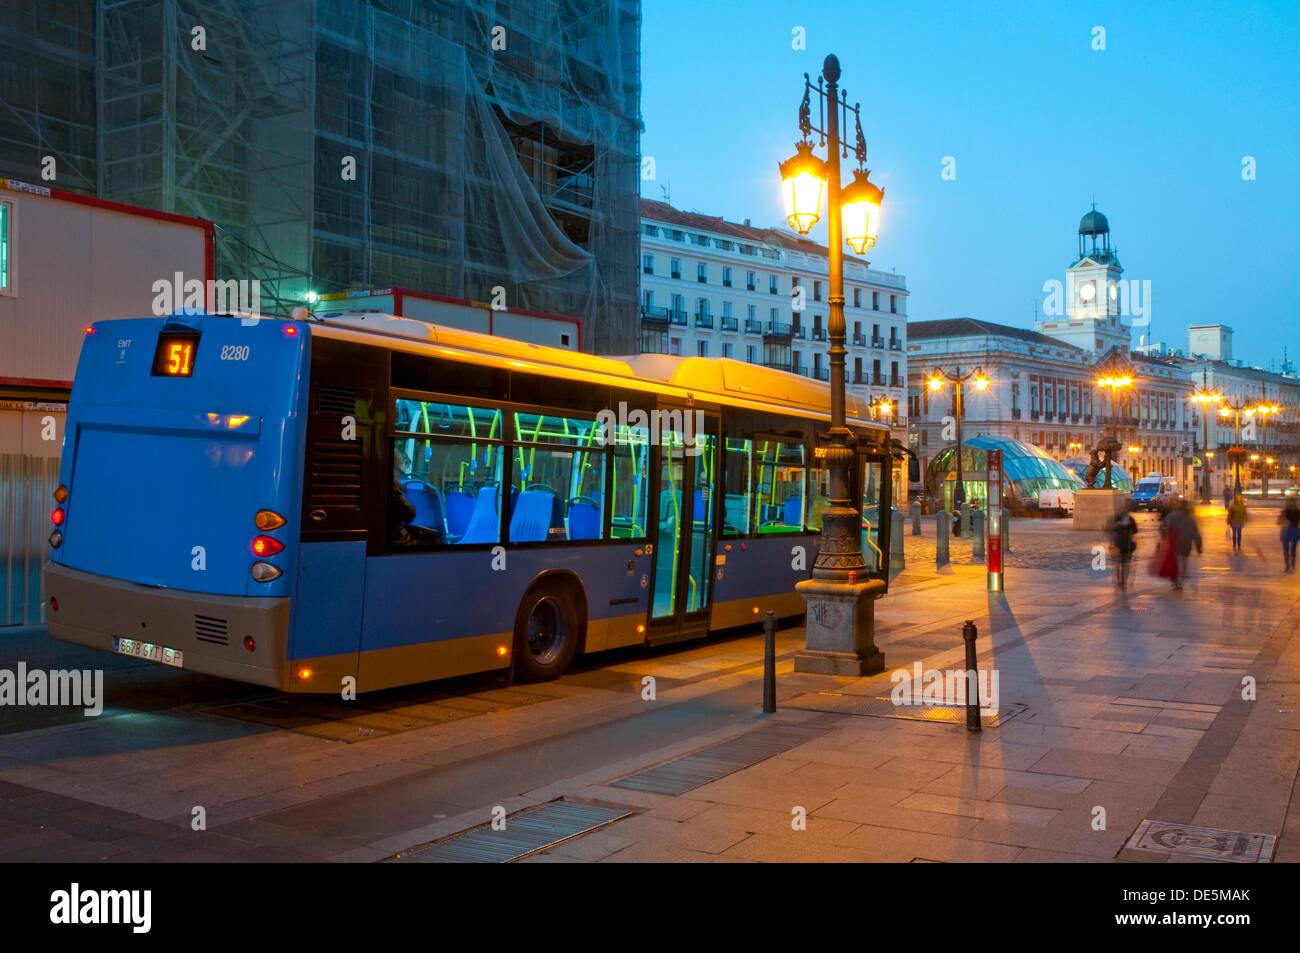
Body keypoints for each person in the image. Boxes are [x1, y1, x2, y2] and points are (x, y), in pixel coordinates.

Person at [1162, 499, 1203, 590]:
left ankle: (1175, 580)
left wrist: (1164, 538)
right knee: (1184, 563)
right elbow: (1196, 535)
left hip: (1174, 544)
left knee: (1175, 562)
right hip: (1186, 545)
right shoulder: (1190, 519)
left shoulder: (1171, 516)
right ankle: (1180, 581)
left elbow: (1163, 527)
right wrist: (1199, 547)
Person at [1106, 507, 1139, 590]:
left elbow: (1109, 530)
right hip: (1126, 544)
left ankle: (1120, 582)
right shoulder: (1130, 519)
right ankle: (1123, 582)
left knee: (1118, 564)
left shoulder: (1116, 519)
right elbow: (1135, 531)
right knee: (1124, 564)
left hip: (1118, 544)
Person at [1279, 498, 1300, 572]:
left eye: (1292, 503)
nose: (1291, 504)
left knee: (1292, 549)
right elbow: (1278, 522)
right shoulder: (1284, 512)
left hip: (1293, 531)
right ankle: (1288, 566)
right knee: (1286, 549)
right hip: (1286, 531)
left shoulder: (1297, 512)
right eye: (1289, 503)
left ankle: (1291, 566)